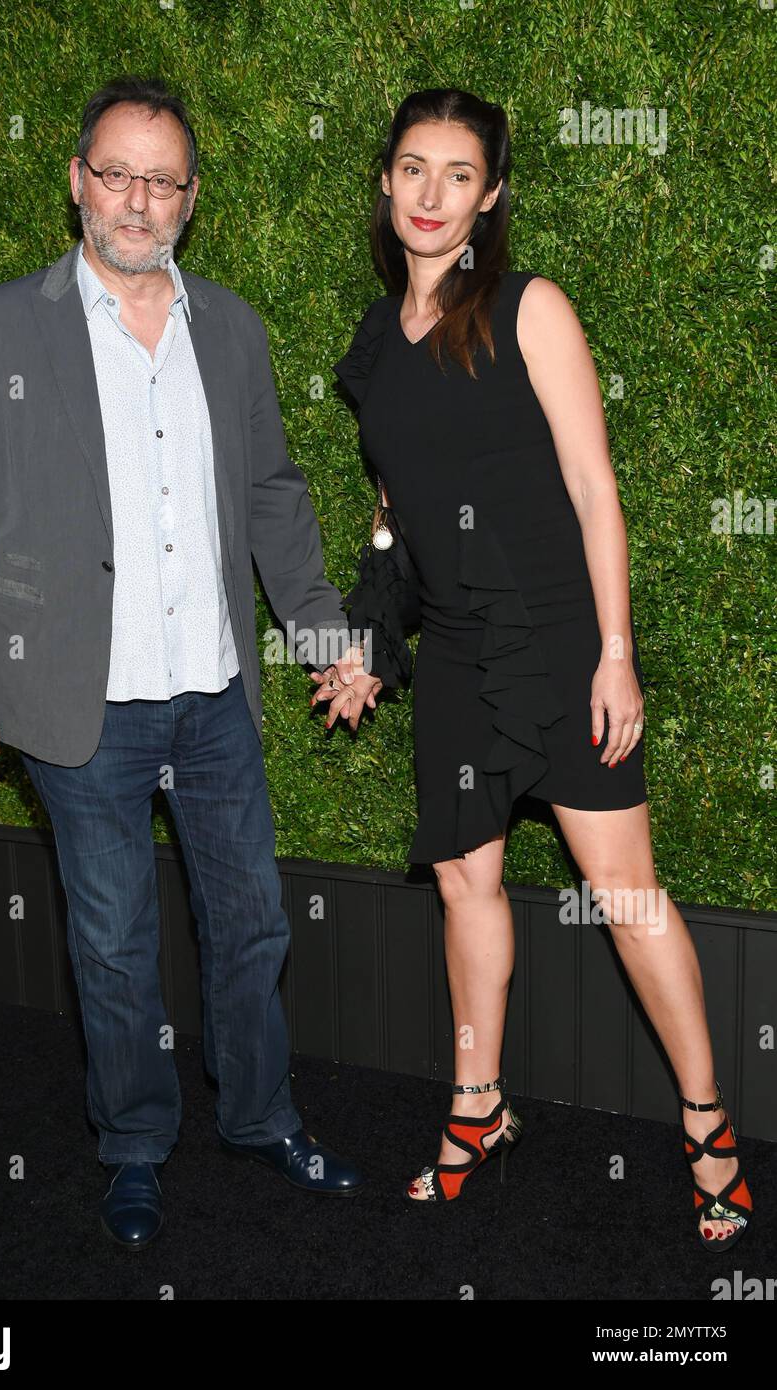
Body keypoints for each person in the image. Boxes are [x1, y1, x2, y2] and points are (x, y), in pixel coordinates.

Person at [0, 74, 370, 1251]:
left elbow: (272, 498)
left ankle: (260, 1115)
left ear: (190, 201)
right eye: (117, 172)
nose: (137, 199)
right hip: (78, 706)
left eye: (162, 180)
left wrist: (323, 633)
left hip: (213, 694)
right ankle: (133, 1144)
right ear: (76, 180)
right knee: (112, 942)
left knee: (253, 922)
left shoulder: (233, 328)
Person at [312, 88, 753, 1248]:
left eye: (459, 174)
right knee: (467, 885)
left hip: (559, 645)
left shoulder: (529, 307)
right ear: (386, 181)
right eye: (413, 168)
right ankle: (478, 1107)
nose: (431, 193)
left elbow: (596, 488)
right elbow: (393, 514)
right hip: (453, 654)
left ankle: (709, 1126)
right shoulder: (374, 341)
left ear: (491, 195)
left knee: (626, 893)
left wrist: (617, 654)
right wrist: (368, 645)